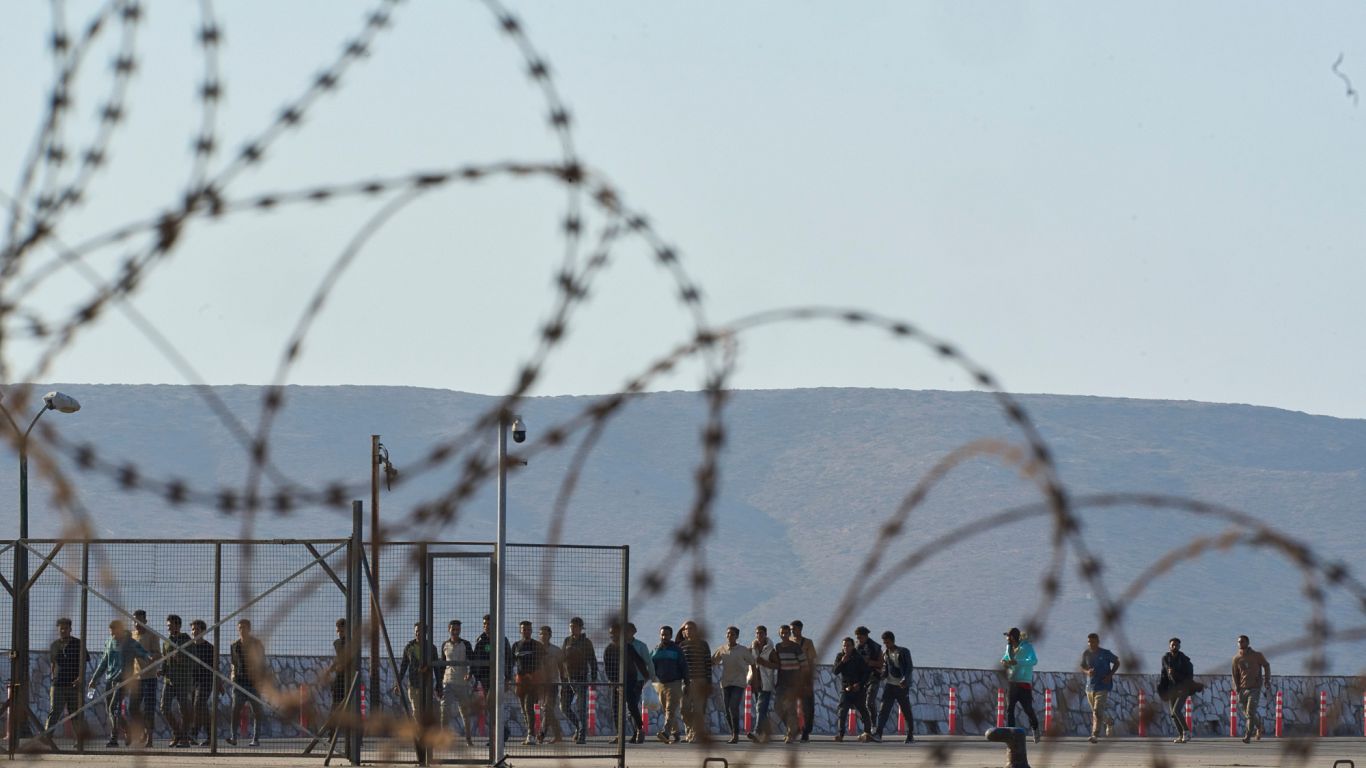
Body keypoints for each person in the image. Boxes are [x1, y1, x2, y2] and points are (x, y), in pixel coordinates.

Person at [88, 619, 151, 748]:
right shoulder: (109, 642)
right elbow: (104, 662)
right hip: (110, 679)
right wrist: (94, 679)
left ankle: (114, 737)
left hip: (123, 680)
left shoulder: (130, 643)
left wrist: (150, 657)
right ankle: (126, 729)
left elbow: (143, 653)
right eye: (111, 634)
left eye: (115, 633)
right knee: (110, 710)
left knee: (114, 708)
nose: (113, 636)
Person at [396, 622, 442, 761]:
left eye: (421, 632)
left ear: (426, 633)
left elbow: (436, 669)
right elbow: (404, 665)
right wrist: (398, 682)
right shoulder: (409, 647)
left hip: (427, 686)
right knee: (416, 712)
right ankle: (420, 736)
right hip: (414, 685)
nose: (418, 634)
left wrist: (438, 684)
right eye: (416, 631)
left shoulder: (431, 648)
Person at [44, 618, 89, 750]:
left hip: (74, 685)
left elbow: (84, 663)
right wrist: (53, 677)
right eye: (61, 628)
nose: (63, 630)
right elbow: (53, 663)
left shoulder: (78, 644)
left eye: (65, 628)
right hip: (58, 684)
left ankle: (79, 741)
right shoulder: (54, 645)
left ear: (70, 629)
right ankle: (47, 738)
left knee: (76, 713)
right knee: (54, 712)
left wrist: (80, 677)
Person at [604, 623, 649, 744]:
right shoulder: (609, 649)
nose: (613, 635)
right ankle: (620, 735)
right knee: (616, 708)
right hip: (616, 682)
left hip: (630, 680)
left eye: (615, 633)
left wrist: (646, 677)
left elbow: (639, 662)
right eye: (611, 633)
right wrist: (613, 682)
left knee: (632, 705)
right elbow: (607, 668)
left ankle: (640, 729)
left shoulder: (628, 647)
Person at [472, 614, 514, 744]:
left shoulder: (501, 639)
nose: (486, 626)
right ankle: (501, 733)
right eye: (484, 624)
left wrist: (507, 678)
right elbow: (476, 659)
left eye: (489, 624)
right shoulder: (480, 640)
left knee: (492, 706)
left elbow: (509, 659)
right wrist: (475, 677)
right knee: (491, 709)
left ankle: (498, 736)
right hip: (484, 679)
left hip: (497, 678)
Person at [711, 626, 754, 744]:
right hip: (726, 683)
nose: (730, 636)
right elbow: (713, 661)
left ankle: (735, 735)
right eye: (728, 634)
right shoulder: (722, 649)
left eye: (733, 634)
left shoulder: (742, 650)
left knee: (733, 706)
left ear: (737, 636)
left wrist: (753, 677)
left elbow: (753, 662)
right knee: (726, 711)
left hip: (739, 683)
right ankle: (733, 732)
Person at [227, 619, 266, 746]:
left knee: (257, 711)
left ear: (249, 629)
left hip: (253, 683)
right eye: (240, 628)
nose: (242, 630)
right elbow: (233, 663)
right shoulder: (234, 645)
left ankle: (256, 738)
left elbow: (261, 663)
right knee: (235, 709)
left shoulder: (257, 644)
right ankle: (233, 737)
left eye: (244, 628)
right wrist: (232, 677)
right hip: (239, 683)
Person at [561, 616, 598, 744]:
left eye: (575, 627)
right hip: (567, 679)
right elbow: (562, 660)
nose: (572, 629)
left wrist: (593, 678)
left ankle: (582, 735)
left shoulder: (586, 642)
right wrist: (562, 677)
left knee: (581, 707)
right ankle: (578, 726)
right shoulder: (567, 641)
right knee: (564, 707)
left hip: (581, 679)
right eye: (571, 627)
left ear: (581, 628)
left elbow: (592, 661)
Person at [158, 614, 194, 747]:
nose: (169, 628)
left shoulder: (186, 640)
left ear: (178, 625)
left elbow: (193, 660)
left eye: (171, 625)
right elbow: (165, 659)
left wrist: (181, 660)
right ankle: (177, 732)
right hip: (169, 680)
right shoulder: (166, 641)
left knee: (184, 709)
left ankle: (184, 738)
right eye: (167, 626)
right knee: (164, 708)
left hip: (183, 680)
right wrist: (162, 670)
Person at [439, 620, 476, 746]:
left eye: (458, 629)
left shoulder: (466, 644)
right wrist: (439, 683)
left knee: (465, 712)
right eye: (453, 629)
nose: (455, 632)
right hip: (447, 682)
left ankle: (468, 739)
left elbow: (472, 661)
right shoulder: (444, 645)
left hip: (462, 683)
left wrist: (469, 674)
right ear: (449, 629)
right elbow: (442, 665)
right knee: (444, 711)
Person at [1001, 627, 1040, 743]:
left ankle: (1035, 729)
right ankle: (1011, 734)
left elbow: (1034, 661)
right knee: (1009, 709)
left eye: (1008, 636)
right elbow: (1006, 658)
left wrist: (1018, 662)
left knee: (1028, 709)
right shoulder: (1009, 648)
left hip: (1023, 684)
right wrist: (1004, 661)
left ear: (1012, 637)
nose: (1006, 638)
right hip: (1012, 683)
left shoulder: (1027, 647)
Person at [874, 630, 914, 743]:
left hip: (902, 686)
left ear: (892, 641)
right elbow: (886, 670)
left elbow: (909, 667)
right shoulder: (886, 653)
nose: (885, 644)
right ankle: (878, 733)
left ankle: (910, 734)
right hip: (890, 685)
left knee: (906, 711)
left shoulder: (903, 651)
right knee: (884, 710)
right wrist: (880, 676)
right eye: (884, 642)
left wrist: (905, 679)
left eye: (887, 642)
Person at [1080, 632, 1120, 743]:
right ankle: (1108, 721)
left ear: (1098, 642)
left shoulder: (1105, 653)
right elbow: (1082, 666)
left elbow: (1117, 662)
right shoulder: (1086, 654)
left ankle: (1095, 734)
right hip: (1090, 687)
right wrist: (1087, 672)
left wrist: (1110, 675)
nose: (1090, 643)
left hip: (1103, 685)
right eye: (1089, 641)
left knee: (1097, 710)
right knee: (1096, 711)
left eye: (1093, 641)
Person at [650, 625, 687, 743]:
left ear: (671, 636)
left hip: (675, 683)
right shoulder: (656, 650)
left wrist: (687, 680)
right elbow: (650, 665)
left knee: (670, 708)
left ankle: (666, 733)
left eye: (666, 634)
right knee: (667, 709)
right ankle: (676, 732)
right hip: (661, 684)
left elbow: (684, 666)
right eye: (662, 634)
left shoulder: (677, 650)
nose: (664, 637)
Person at [130, 610, 161, 748]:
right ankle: (142, 730)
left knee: (149, 708)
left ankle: (150, 738)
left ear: (145, 621)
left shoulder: (152, 635)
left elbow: (158, 654)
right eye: (135, 621)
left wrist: (149, 656)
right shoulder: (131, 635)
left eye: (140, 621)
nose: (137, 624)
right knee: (132, 708)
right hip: (135, 678)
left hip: (149, 677)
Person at [510, 621, 544, 745]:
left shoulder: (537, 645)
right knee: (523, 709)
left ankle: (531, 734)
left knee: (529, 705)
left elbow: (542, 663)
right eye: (524, 629)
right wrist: (509, 678)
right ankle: (532, 732)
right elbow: (512, 663)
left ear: (531, 631)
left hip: (533, 680)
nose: (526, 632)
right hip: (520, 680)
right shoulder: (516, 646)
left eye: (528, 629)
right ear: (520, 631)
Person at [677, 620, 712, 743]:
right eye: (686, 629)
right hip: (685, 682)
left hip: (700, 680)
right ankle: (689, 731)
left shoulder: (703, 644)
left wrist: (708, 683)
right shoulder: (681, 645)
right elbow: (679, 665)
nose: (689, 630)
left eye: (691, 628)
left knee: (698, 709)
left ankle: (694, 734)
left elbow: (708, 664)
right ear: (684, 631)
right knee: (684, 709)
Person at [1232, 635, 1271, 743]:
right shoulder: (1236, 658)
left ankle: (1248, 736)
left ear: (1248, 643)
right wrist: (1236, 687)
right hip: (1242, 689)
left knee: (1250, 712)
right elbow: (1235, 674)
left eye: (1242, 642)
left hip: (1255, 688)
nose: (1240, 644)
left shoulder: (1257, 655)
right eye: (1239, 642)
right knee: (1248, 714)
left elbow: (1266, 665)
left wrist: (1267, 680)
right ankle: (1259, 727)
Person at [832, 637, 872, 742]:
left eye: (848, 645)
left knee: (863, 710)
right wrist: (842, 662)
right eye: (844, 645)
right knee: (842, 711)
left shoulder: (858, 657)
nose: (846, 648)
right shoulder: (840, 656)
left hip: (858, 689)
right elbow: (835, 671)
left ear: (853, 646)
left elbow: (866, 673)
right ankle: (840, 734)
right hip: (846, 689)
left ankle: (867, 732)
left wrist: (860, 684)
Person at [773, 624, 807, 744]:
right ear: (779, 634)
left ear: (789, 634)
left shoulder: (796, 647)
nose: (784, 635)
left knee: (791, 709)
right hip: (781, 683)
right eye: (782, 633)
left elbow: (804, 664)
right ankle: (791, 728)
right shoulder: (778, 647)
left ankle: (790, 734)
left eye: (786, 633)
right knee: (777, 707)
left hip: (793, 684)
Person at [1159, 637, 1196, 743]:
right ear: (1169, 646)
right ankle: (1181, 736)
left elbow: (1189, 677)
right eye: (1172, 645)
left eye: (1176, 645)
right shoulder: (1166, 658)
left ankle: (1186, 732)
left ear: (1179, 646)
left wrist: (1176, 675)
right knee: (1173, 714)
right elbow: (1164, 674)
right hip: (1171, 689)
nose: (1174, 646)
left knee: (1176, 710)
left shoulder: (1185, 660)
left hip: (1183, 688)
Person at [185, 620, 216, 746]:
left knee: (198, 704)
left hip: (206, 681)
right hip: (192, 682)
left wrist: (219, 685)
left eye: (197, 629)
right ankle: (210, 736)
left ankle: (194, 733)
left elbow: (215, 667)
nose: (194, 632)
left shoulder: (209, 648)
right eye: (192, 629)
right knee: (201, 708)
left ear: (203, 631)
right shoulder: (188, 647)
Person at [745, 625, 778, 743]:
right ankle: (764, 733)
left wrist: (764, 662)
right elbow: (746, 660)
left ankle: (757, 731)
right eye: (757, 633)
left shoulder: (770, 650)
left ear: (765, 634)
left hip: (766, 682)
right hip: (755, 682)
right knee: (761, 709)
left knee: (760, 707)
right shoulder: (752, 649)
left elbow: (777, 665)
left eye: (761, 633)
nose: (759, 635)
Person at [625, 623, 654, 742]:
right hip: (624, 680)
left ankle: (640, 730)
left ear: (634, 632)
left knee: (632, 705)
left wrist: (651, 677)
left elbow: (649, 662)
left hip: (638, 680)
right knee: (629, 708)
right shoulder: (619, 645)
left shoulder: (641, 646)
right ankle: (636, 731)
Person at [789, 619, 817, 742]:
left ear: (800, 629)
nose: (792, 632)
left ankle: (806, 731)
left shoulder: (808, 643)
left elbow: (811, 662)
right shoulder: (787, 642)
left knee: (808, 707)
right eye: (790, 630)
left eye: (794, 629)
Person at [536, 625, 565, 743]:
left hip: (552, 683)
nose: (543, 636)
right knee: (546, 710)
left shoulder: (556, 650)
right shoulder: (536, 649)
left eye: (546, 634)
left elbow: (562, 667)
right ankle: (551, 735)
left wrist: (563, 682)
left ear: (550, 635)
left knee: (548, 708)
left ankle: (543, 734)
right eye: (541, 634)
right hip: (540, 684)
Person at [853, 626, 883, 734]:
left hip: (873, 677)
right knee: (858, 703)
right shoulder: (857, 648)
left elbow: (881, 663)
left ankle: (874, 724)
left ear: (865, 636)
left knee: (869, 702)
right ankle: (867, 724)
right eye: (857, 638)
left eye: (860, 637)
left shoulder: (875, 647)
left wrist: (869, 662)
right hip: (861, 678)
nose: (858, 640)